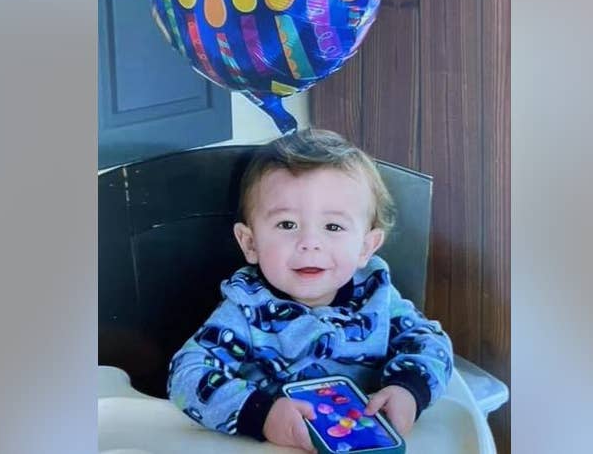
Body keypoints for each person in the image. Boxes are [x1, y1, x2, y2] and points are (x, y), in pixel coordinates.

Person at [167, 129, 454, 452]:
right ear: (250, 243)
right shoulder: (246, 309)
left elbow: (431, 343)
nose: (309, 243)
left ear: (366, 246)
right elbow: (186, 374)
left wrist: (408, 390)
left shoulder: (378, 298)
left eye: (333, 227)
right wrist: (261, 415)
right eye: (287, 224)